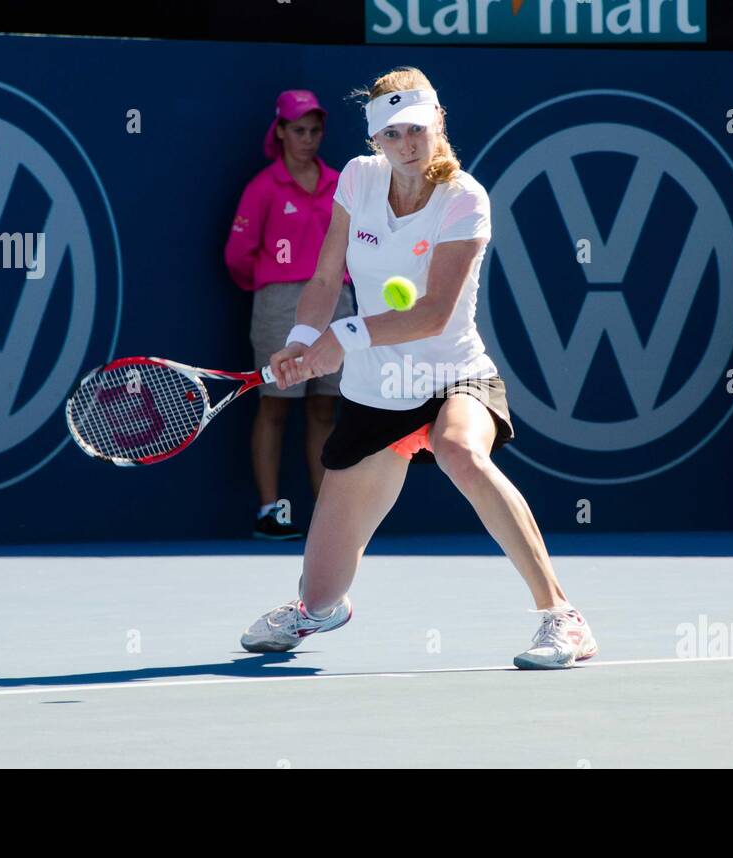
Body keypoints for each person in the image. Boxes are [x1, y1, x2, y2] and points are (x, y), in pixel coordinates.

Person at [237, 67, 598, 669]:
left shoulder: (465, 197)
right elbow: (327, 277)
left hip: (452, 375)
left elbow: (433, 313)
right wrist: (303, 338)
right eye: (393, 133)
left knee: (461, 450)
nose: (407, 144)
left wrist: (341, 337)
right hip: (374, 392)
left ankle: (562, 616)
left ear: (438, 126)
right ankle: (319, 611)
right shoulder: (356, 178)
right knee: (318, 592)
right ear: (375, 139)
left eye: (418, 129)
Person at [225, 90, 357, 540]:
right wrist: (274, 287)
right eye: (298, 130)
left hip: (336, 302)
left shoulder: (342, 184)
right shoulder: (262, 188)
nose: (308, 139)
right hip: (279, 303)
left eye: (315, 130)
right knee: (276, 404)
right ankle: (269, 512)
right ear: (279, 131)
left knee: (325, 406)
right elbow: (238, 256)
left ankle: (326, 518)